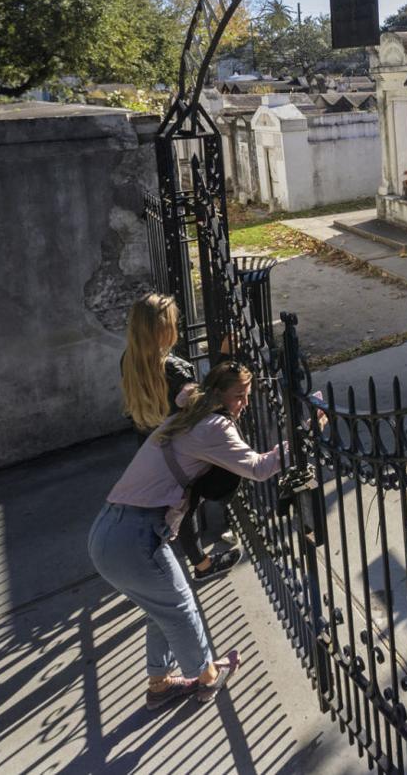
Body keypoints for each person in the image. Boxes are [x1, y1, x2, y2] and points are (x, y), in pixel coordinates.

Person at [89, 360, 282, 709]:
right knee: (180, 607)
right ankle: (207, 676)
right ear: (220, 395)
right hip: (136, 536)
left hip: (107, 531)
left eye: (247, 395)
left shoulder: (187, 416)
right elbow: (258, 468)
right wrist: (303, 433)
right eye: (239, 396)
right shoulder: (212, 427)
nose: (244, 403)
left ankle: (160, 685)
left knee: (162, 608)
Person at [119, 293, 240, 581]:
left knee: (168, 505)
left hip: (150, 441)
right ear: (163, 329)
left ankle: (192, 560)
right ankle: (202, 565)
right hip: (179, 451)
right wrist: (224, 358)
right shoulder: (173, 368)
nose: (178, 327)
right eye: (173, 322)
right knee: (185, 506)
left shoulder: (130, 360)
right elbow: (206, 403)